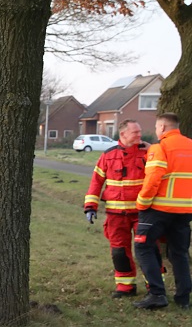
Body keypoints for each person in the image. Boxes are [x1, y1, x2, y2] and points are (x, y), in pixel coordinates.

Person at [82, 119, 148, 298]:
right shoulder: (108, 155)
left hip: (143, 214)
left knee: (148, 250)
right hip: (116, 215)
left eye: (140, 131)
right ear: (123, 134)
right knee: (119, 251)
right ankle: (126, 287)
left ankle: (155, 288)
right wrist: (90, 207)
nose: (140, 135)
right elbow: (96, 182)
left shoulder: (148, 153)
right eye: (136, 132)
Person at [133, 112, 192, 310]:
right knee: (179, 253)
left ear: (163, 128)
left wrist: (142, 202)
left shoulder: (160, 148)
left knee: (143, 247)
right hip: (185, 211)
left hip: (158, 209)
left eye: (157, 128)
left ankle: (157, 294)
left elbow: (153, 179)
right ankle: (183, 298)